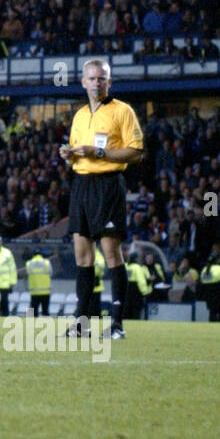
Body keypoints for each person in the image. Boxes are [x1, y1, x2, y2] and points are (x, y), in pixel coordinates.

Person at [58, 58, 145, 339]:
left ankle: (117, 324)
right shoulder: (80, 115)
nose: (97, 82)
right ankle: (81, 322)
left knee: (110, 254)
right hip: (81, 184)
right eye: (92, 78)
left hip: (108, 185)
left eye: (102, 78)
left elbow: (136, 152)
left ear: (110, 82)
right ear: (83, 82)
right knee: (82, 257)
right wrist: (69, 155)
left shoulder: (123, 111)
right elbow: (77, 152)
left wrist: (98, 153)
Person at [199, 255, 220, 322]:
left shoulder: (204, 269)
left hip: (208, 297)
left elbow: (202, 281)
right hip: (219, 296)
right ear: (217, 261)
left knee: (212, 313)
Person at [24, 248, 52, 317]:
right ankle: (46, 325)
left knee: (33, 312)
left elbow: (27, 273)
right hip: (46, 292)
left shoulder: (29, 263)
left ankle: (33, 326)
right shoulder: (46, 262)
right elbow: (51, 273)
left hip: (34, 292)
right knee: (45, 311)